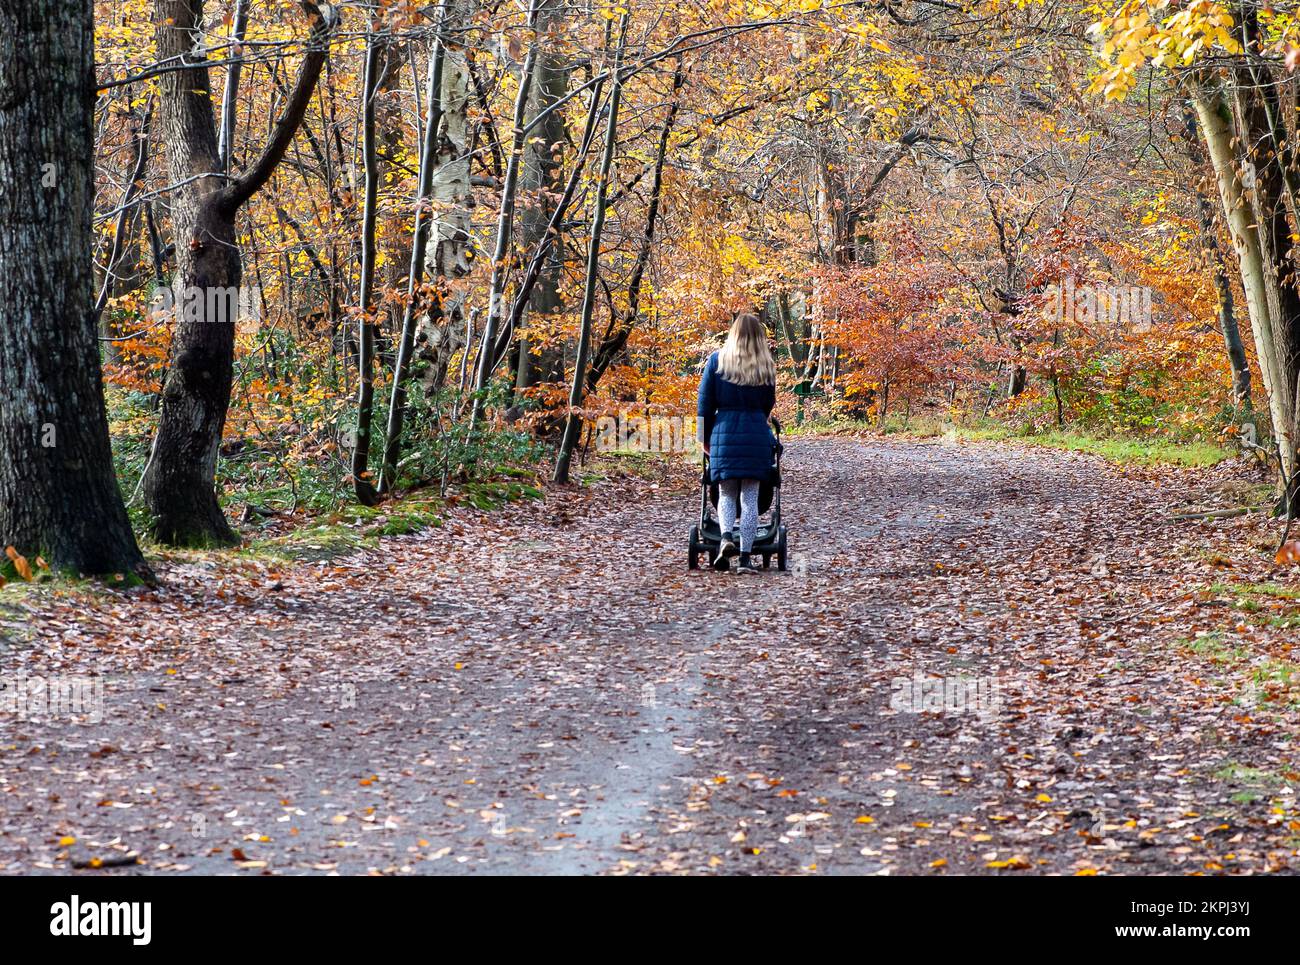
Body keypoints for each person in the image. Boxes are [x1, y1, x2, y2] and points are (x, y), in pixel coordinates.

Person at [697, 312, 777, 574]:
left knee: (726, 492)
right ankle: (744, 558)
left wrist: (702, 439)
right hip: (756, 433)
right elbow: (767, 404)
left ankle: (726, 538)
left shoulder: (717, 361)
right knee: (750, 497)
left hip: (724, 434)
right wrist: (756, 421)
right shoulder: (765, 364)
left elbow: (704, 405)